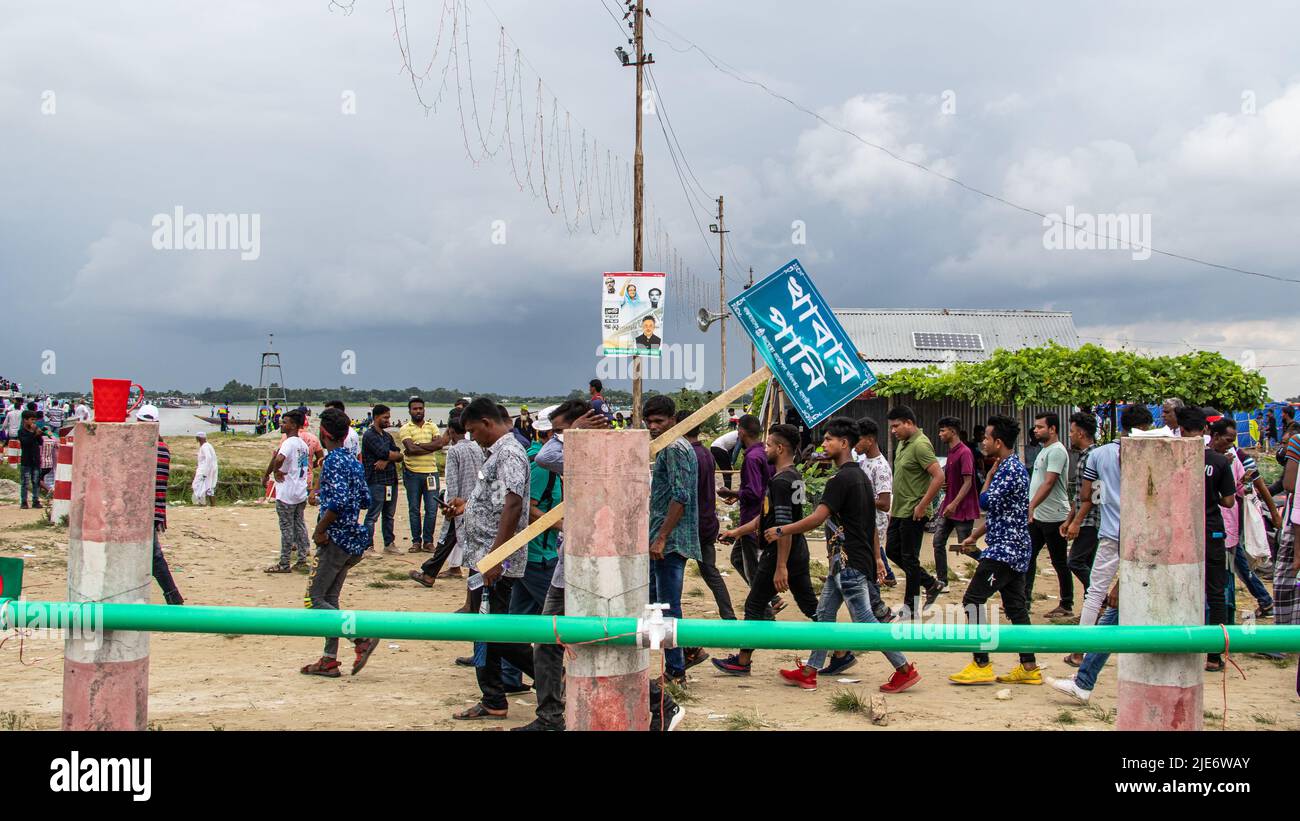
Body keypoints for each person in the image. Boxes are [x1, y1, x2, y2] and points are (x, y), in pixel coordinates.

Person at [769, 419, 921, 693]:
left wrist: (782, 529)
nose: (824, 444)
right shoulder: (860, 476)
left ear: (844, 443)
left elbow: (817, 518)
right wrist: (876, 557)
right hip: (846, 561)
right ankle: (809, 671)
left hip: (848, 563)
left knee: (865, 621)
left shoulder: (841, 479)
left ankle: (904, 669)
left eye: (829, 439)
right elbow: (869, 523)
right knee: (824, 614)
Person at [512, 400, 610, 731]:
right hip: (568, 564)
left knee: (597, 642)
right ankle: (550, 716)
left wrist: (575, 433)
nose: (555, 437)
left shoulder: (598, 452)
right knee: (551, 641)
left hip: (590, 567)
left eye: (560, 430)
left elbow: (545, 456)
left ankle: (657, 699)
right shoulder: (579, 453)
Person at [447, 399, 534, 720]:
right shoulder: (496, 453)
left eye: (473, 431)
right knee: (487, 629)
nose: (472, 438)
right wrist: (465, 505)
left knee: (494, 630)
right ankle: (494, 698)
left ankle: (551, 677)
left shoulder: (509, 453)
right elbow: (498, 501)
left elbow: (513, 504)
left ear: (487, 422)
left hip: (497, 560)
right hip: (485, 557)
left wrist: (498, 556)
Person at [711, 423, 818, 677]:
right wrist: (736, 532)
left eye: (769, 445)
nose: (765, 448)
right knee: (810, 605)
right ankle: (840, 650)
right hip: (798, 550)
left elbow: (782, 526)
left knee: (755, 604)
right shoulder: (795, 477)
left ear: (780, 448)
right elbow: (767, 517)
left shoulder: (781, 482)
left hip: (780, 552)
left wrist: (780, 565)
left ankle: (742, 661)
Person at [949, 415, 1038, 685]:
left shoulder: (1009, 469)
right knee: (1016, 608)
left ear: (998, 442)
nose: (982, 441)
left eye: (986, 437)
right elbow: (1003, 513)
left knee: (972, 600)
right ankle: (1029, 667)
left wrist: (987, 479)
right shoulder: (1009, 466)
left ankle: (981, 663)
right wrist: (975, 535)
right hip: (1012, 548)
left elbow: (986, 501)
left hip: (1005, 552)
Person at [1061, 404, 1150, 668]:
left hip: (1112, 531)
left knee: (1095, 593)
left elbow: (1087, 495)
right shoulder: (1152, 451)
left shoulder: (1099, 455)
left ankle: (1080, 650)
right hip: (1144, 533)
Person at [299, 407, 380, 678]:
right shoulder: (352, 461)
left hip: (334, 538)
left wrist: (320, 530)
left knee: (313, 600)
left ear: (324, 434)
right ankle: (328, 659)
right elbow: (365, 501)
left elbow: (338, 502)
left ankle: (361, 638)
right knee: (330, 598)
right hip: (352, 541)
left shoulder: (333, 461)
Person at [643, 395, 699, 685]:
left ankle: (676, 671)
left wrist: (662, 537)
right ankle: (686, 650)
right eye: (649, 421)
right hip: (665, 538)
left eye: (659, 421)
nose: (653, 427)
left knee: (666, 606)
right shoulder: (670, 447)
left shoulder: (673, 448)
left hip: (671, 541)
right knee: (658, 602)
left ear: (673, 421)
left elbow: (681, 496)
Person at [1175, 406, 1234, 672]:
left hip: (1182, 530)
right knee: (1215, 591)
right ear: (1207, 430)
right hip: (1212, 529)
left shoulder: (1174, 457)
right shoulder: (1220, 461)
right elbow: (1229, 501)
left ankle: (1181, 645)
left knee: (1182, 589)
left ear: (1181, 430)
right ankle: (1213, 655)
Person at [677, 409, 736, 667]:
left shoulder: (687, 455)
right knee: (710, 572)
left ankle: (675, 623)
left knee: (672, 575)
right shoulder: (706, 454)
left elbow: (683, 495)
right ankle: (729, 617)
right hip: (707, 520)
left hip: (691, 524)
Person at [885, 406, 946, 617]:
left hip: (914, 511)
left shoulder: (920, 445)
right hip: (899, 509)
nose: (893, 431)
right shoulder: (903, 444)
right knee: (892, 551)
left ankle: (911, 607)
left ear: (909, 423)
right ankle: (930, 583)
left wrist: (922, 505)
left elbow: (939, 477)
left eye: (896, 426)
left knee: (910, 558)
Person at [410, 411, 479, 587]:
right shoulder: (476, 447)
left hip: (458, 503)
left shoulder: (455, 451)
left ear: (451, 431)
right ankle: (431, 571)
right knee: (456, 539)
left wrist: (449, 503)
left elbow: (452, 480)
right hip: (474, 500)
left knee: (447, 539)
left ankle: (429, 573)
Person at [1024, 412, 1074, 618]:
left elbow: (1050, 481)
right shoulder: (1044, 450)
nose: (1036, 430)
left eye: (1040, 427)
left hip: (1054, 516)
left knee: (1059, 561)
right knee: (1028, 557)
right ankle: (1023, 599)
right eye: (1035, 427)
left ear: (1052, 429)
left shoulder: (1057, 451)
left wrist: (1032, 504)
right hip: (1039, 516)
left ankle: (1066, 603)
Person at [718, 415, 771, 596]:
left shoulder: (751, 458)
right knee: (736, 558)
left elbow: (754, 492)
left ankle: (765, 608)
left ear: (741, 432)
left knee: (752, 567)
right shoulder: (764, 453)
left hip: (751, 519)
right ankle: (772, 599)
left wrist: (731, 493)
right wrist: (738, 496)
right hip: (757, 516)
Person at [136, 405, 184, 605]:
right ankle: (171, 596)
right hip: (154, 511)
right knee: (149, 555)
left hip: (141, 511)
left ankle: (173, 596)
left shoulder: (145, 449)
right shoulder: (162, 448)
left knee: (153, 556)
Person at [854, 416, 897, 615]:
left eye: (858, 440)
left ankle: (879, 609)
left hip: (874, 526)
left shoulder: (880, 467)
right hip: (864, 525)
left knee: (871, 568)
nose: (855, 445)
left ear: (869, 440)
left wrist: (860, 500)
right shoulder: (864, 462)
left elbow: (885, 503)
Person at [932, 416, 978, 593]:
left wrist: (954, 503)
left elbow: (968, 482)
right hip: (949, 507)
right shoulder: (951, 452)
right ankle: (942, 581)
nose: (940, 434)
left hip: (962, 508)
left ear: (953, 431)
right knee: (938, 542)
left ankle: (993, 568)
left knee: (966, 547)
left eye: (943, 430)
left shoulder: (964, 452)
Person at [263, 409, 313, 572]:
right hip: (300, 491)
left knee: (286, 528)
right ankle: (302, 558)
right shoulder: (303, 445)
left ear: (294, 425)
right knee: (299, 524)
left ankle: (284, 563)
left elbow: (279, 458)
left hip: (287, 492)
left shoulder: (289, 442)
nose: (281, 424)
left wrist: (275, 471)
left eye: (285, 422)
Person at [400, 397, 450, 554]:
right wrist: (429, 447)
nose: (418, 411)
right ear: (409, 411)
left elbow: (439, 444)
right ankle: (416, 541)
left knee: (432, 508)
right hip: (412, 473)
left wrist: (418, 446)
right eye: (414, 409)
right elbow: (411, 449)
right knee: (414, 509)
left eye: (420, 408)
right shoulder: (405, 428)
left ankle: (428, 542)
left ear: (424, 409)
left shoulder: (432, 426)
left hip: (431, 472)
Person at [1061, 412, 1099, 603]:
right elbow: (1078, 495)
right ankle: (1093, 606)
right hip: (1084, 518)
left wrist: (1075, 522)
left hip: (1091, 520)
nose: (1070, 435)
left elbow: (1090, 496)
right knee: (1086, 563)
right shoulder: (1085, 456)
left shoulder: (1092, 457)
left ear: (1081, 434)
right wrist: (1069, 519)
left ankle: (1100, 597)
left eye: (1072, 431)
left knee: (1075, 562)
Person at [361, 404, 402, 555]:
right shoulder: (369, 436)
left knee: (389, 515)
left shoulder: (387, 436)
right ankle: (368, 546)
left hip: (391, 480)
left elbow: (399, 454)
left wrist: (387, 460)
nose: (388, 420)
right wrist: (390, 456)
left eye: (388, 417)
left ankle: (389, 544)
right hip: (376, 481)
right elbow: (384, 452)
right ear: (376, 417)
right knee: (372, 515)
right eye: (385, 417)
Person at [17, 411, 43, 509]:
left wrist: (39, 434)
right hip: (26, 460)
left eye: (35, 420)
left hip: (36, 460)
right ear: (25, 420)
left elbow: (40, 442)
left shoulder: (35, 430)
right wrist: (33, 433)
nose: (34, 422)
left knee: (36, 481)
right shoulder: (21, 432)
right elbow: (25, 442)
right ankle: (24, 502)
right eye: (32, 420)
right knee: (25, 482)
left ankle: (35, 500)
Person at [191, 431, 218, 505]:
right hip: (211, 469)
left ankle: (201, 504)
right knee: (209, 487)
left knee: (197, 485)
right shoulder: (208, 445)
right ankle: (212, 505)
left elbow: (208, 458)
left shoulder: (205, 446)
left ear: (198, 438)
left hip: (205, 470)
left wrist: (205, 472)